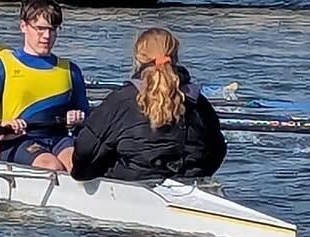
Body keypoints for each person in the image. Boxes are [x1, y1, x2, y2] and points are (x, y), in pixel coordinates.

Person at [71, 28, 227, 183]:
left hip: (133, 188)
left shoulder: (121, 100)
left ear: (138, 59)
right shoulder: (198, 101)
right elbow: (217, 151)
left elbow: (86, 151)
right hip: (190, 186)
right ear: (175, 57)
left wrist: (86, 175)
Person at [0, 0, 89, 172]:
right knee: (50, 165)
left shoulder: (71, 70)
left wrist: (79, 117)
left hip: (58, 139)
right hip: (18, 140)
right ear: (23, 26)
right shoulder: (2, 66)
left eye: (52, 30)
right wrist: (0, 131)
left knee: (80, 165)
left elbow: (86, 114)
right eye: (40, 29)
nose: (47, 36)